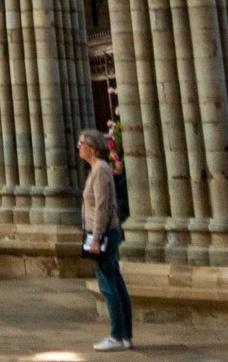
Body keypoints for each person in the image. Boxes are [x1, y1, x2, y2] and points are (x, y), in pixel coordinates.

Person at [79, 129, 132, 351]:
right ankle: (124, 335)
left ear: (91, 146)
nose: (78, 147)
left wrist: (96, 238)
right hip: (105, 233)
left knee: (108, 285)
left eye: (81, 143)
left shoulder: (100, 171)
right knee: (116, 282)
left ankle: (116, 336)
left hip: (104, 235)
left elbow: (102, 207)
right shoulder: (99, 169)